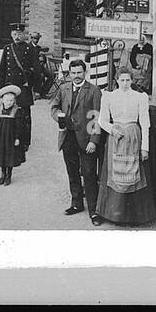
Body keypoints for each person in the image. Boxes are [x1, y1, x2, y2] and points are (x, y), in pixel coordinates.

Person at [94, 68, 155, 225]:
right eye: (122, 80)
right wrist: (112, 129)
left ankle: (136, 217)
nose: (125, 83)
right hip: (116, 138)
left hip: (134, 136)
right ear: (116, 81)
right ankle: (114, 215)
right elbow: (102, 120)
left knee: (135, 175)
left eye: (128, 80)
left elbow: (145, 123)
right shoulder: (108, 97)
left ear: (132, 81)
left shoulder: (139, 97)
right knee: (115, 174)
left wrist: (145, 147)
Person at [50, 58, 104, 224]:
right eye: (73, 73)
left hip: (86, 139)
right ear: (69, 73)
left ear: (85, 72)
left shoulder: (94, 90)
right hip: (68, 137)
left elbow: (97, 117)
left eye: (79, 72)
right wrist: (58, 115)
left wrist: (94, 141)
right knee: (72, 171)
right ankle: (76, 203)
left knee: (88, 173)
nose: (76, 76)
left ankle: (94, 211)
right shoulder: (64, 88)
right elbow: (54, 106)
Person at [0, 84, 29, 185]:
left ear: (14, 101)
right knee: (2, 155)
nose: (9, 103)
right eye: (7, 100)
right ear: (2, 101)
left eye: (11, 101)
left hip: (11, 137)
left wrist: (17, 138)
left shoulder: (17, 111)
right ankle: (3, 174)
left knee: (10, 156)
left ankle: (9, 175)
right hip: (0, 137)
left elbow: (19, 126)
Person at [0, 23, 37, 94]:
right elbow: (2, 69)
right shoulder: (7, 48)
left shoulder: (30, 48)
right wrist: (0, 87)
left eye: (19, 34)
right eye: (14, 34)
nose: (17, 37)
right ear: (11, 35)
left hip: (24, 84)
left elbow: (37, 69)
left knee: (24, 104)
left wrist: (36, 89)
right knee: (9, 104)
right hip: (9, 84)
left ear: (24, 35)